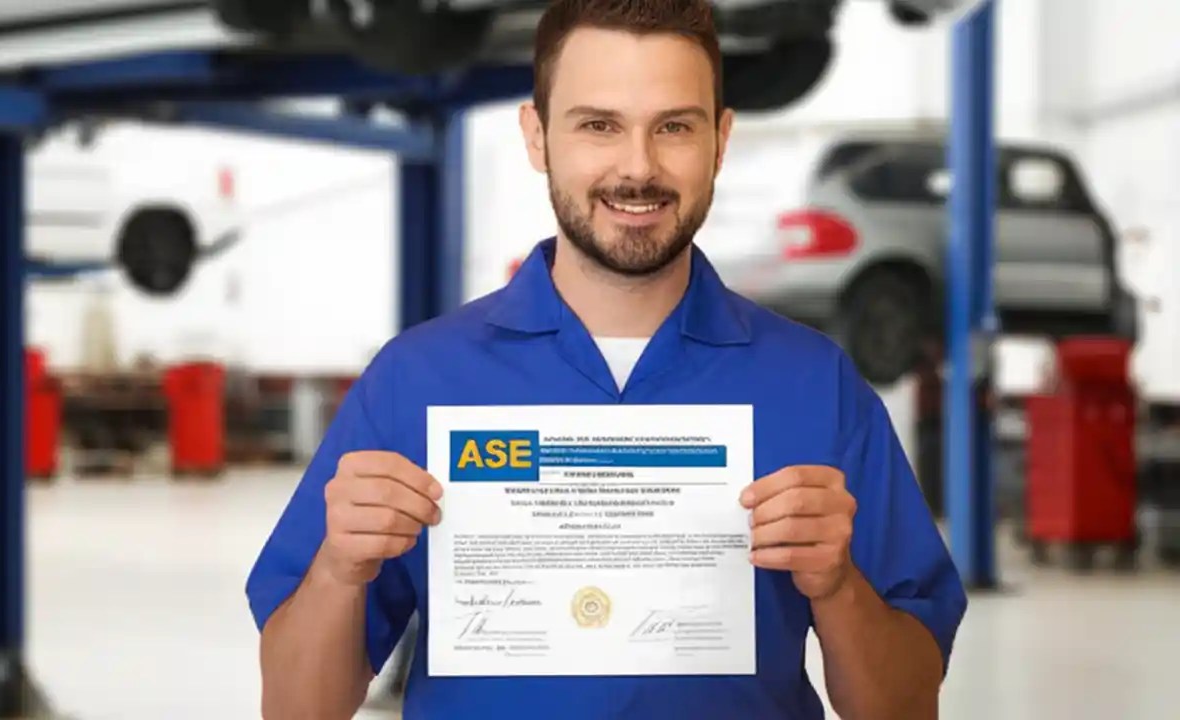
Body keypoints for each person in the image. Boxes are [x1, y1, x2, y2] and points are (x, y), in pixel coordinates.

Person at [245, 0, 968, 718]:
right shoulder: (415, 383)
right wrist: (340, 570)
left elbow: (906, 708)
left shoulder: (816, 387)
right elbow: (295, 708)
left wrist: (838, 586)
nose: (638, 168)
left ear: (720, 141)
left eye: (674, 128)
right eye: (599, 125)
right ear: (537, 138)